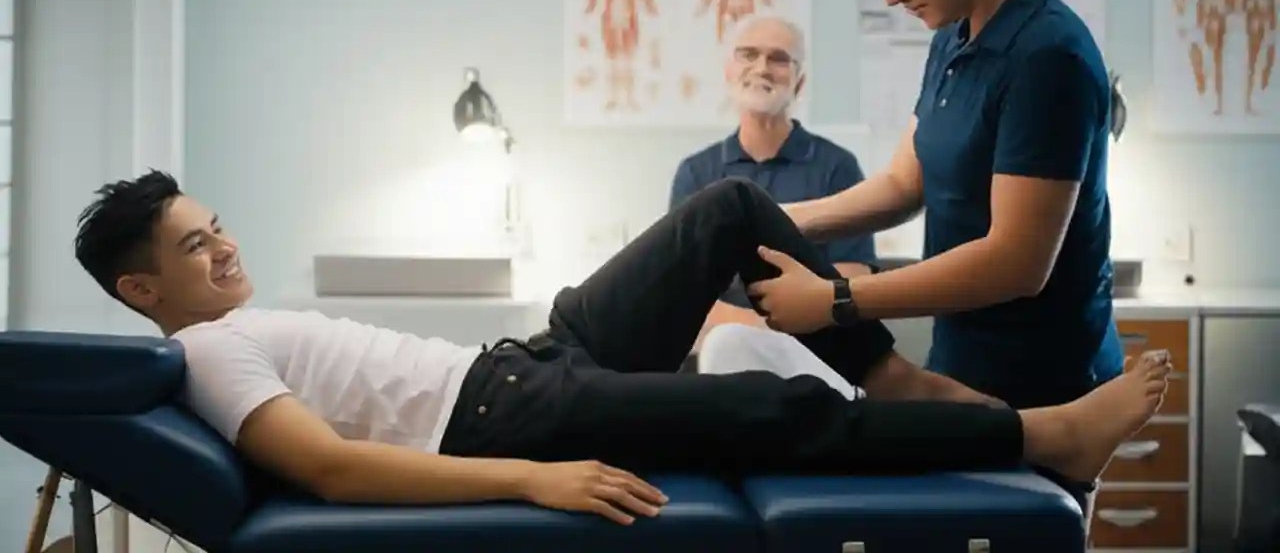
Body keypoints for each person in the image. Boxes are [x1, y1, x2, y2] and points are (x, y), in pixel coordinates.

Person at [73, 171, 1169, 526]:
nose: (221, 246)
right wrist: (531, 479)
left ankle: (886, 370)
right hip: (504, 418)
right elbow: (328, 466)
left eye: (214, 227)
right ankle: (1043, 439)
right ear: (142, 288)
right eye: (191, 245)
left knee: (722, 209)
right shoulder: (209, 354)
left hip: (525, 359)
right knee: (768, 415)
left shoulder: (228, 328)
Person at [748, 0, 1124, 512]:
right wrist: (778, 217)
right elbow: (904, 185)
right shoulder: (952, 36)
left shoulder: (1049, 57)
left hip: (1048, 380)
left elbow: (1017, 262)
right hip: (964, 364)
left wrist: (836, 301)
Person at [671, 14, 878, 356]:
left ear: (800, 82)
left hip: (813, 343)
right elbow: (682, 289)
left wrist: (791, 326)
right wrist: (759, 329)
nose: (762, 68)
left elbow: (851, 276)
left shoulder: (837, 167)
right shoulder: (696, 173)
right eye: (748, 55)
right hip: (718, 341)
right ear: (729, 71)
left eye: (779, 58)